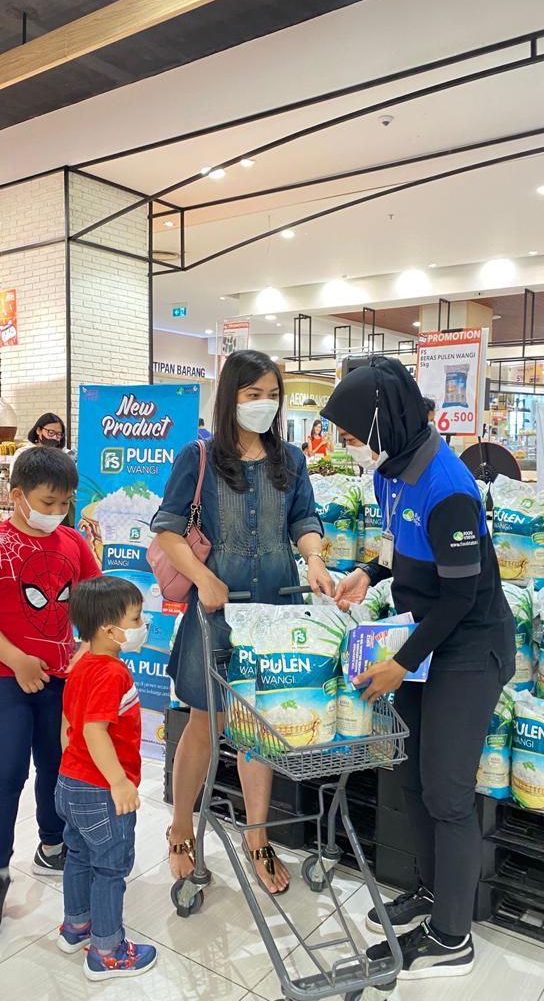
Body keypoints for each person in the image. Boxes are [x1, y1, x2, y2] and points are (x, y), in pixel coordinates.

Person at [321, 358, 515, 981]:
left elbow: (460, 598)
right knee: (414, 779)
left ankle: (453, 937)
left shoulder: (448, 487)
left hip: (468, 647)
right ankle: (436, 894)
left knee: (448, 793)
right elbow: (400, 552)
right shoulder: (390, 471)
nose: (347, 448)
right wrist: (367, 574)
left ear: (385, 423)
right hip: (425, 641)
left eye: (352, 436)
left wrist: (399, 665)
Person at [151, 350, 334, 894]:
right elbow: (167, 529)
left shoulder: (291, 458)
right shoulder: (199, 455)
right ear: (230, 395)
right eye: (251, 393)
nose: (262, 404)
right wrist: (203, 579)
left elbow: (304, 518)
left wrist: (316, 559)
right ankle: (181, 827)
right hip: (215, 615)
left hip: (274, 615)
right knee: (203, 723)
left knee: (259, 729)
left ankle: (258, 837)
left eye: (270, 394)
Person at [0, 448, 101, 926]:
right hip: (7, 678)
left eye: (66, 502)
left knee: (57, 767)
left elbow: (92, 602)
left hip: (60, 679)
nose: (56, 511)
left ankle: (53, 843)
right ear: (16, 495)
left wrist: (89, 647)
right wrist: (16, 659)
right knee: (7, 772)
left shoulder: (73, 542)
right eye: (47, 501)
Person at [56, 576, 157, 981]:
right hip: (99, 791)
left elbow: (69, 726)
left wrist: (73, 765)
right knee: (110, 868)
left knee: (78, 856)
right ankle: (107, 950)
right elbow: (96, 730)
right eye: (135, 618)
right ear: (108, 630)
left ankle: (76, 925)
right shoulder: (111, 673)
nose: (141, 623)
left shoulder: (80, 666)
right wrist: (118, 781)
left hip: (70, 783)